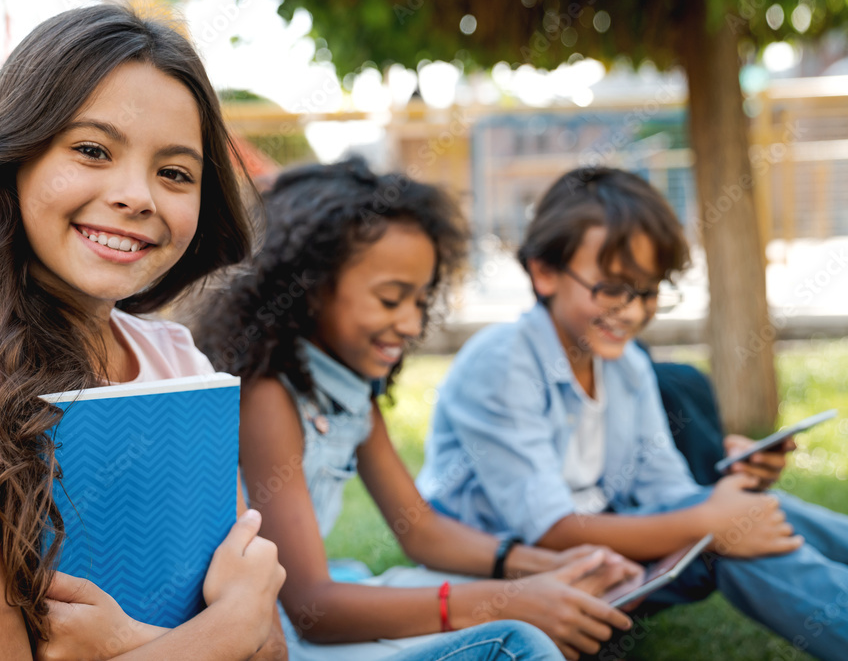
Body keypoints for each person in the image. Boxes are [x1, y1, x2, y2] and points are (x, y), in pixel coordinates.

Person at [0, 5, 288, 660]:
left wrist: (127, 644)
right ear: (16, 155)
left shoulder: (181, 364)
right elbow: (245, 632)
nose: (137, 195)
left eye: (175, 172)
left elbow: (272, 649)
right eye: (91, 150)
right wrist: (229, 626)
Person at [199, 158, 642, 661]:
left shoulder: (351, 392)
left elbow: (421, 530)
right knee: (518, 643)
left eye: (421, 300)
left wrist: (550, 568)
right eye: (391, 300)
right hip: (274, 638)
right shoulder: (268, 397)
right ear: (310, 288)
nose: (412, 323)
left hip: (317, 614)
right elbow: (312, 607)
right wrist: (509, 604)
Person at [416, 166, 848, 660]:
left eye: (647, 292)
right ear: (544, 271)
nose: (632, 311)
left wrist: (727, 503)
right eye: (613, 288)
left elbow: (668, 491)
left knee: (747, 521)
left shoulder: (626, 365)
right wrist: (713, 521)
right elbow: (551, 529)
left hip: (604, 556)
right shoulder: (501, 362)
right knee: (723, 533)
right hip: (513, 578)